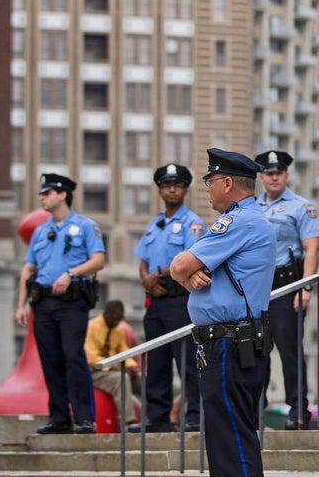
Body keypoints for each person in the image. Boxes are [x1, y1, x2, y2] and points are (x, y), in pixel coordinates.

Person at [170, 149, 273, 477]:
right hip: (223, 342)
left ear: (228, 183)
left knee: (232, 438)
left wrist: (186, 272)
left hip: (230, 342)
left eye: (210, 181)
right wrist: (188, 275)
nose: (207, 187)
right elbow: (186, 271)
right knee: (223, 438)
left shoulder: (239, 221)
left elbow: (179, 264)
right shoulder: (242, 220)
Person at [15, 173, 106, 434]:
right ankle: (59, 417)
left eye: (47, 193)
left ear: (62, 194)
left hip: (72, 302)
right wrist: (21, 305)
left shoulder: (86, 226)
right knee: (50, 360)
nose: (42, 197)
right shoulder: (41, 231)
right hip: (43, 303)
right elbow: (28, 268)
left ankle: (84, 417)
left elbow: (98, 260)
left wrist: (70, 274)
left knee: (72, 356)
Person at [130, 163, 203, 433]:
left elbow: (191, 260)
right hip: (155, 302)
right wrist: (145, 279)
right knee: (156, 362)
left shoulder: (191, 224)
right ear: (159, 190)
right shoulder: (155, 224)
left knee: (187, 359)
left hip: (179, 300)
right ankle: (157, 417)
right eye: (166, 185)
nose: (172, 189)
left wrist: (157, 276)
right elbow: (143, 259)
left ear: (185, 189)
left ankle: (195, 414)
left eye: (177, 185)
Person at [255, 150, 319, 430]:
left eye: (279, 172)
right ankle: (255, 409)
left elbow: (313, 247)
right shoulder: (250, 208)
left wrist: (304, 287)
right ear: (261, 176)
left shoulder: (301, 207)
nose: (274, 177)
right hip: (257, 288)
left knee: (289, 351)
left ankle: (298, 411)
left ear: (286, 175)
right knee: (255, 350)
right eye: (269, 173)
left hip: (287, 287)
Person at [85, 300, 140, 423]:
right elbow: (91, 357)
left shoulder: (118, 329)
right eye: (115, 319)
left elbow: (123, 351)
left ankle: (155, 417)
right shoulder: (91, 327)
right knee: (121, 378)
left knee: (142, 379)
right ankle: (128, 420)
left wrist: (131, 366)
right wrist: (116, 368)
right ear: (107, 314)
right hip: (96, 372)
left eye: (119, 320)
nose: (117, 323)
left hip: (115, 369)